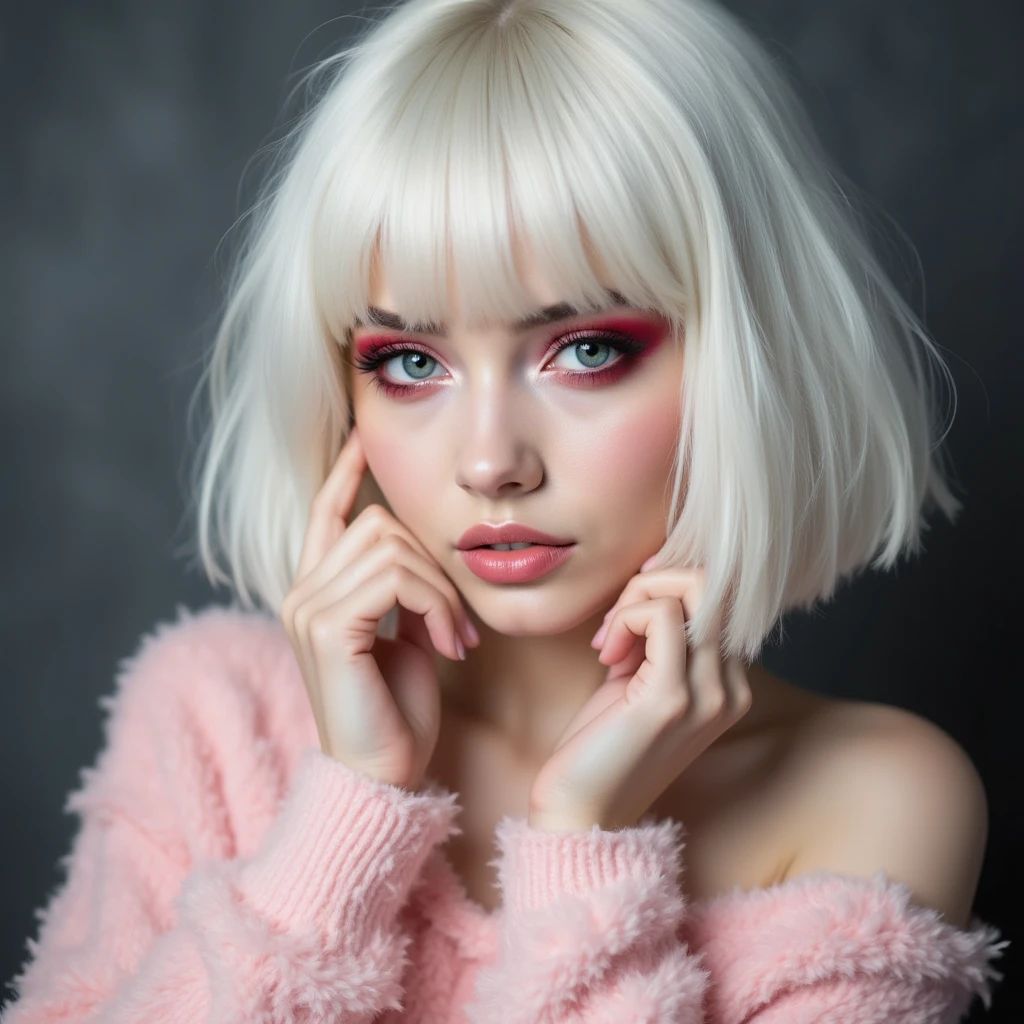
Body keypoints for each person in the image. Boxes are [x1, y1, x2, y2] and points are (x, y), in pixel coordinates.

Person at [2, 0, 1009, 1021]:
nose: (490, 462)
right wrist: (343, 820)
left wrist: (582, 841)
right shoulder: (216, 723)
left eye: (586, 350)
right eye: (409, 362)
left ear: (746, 358)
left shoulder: (876, 800)